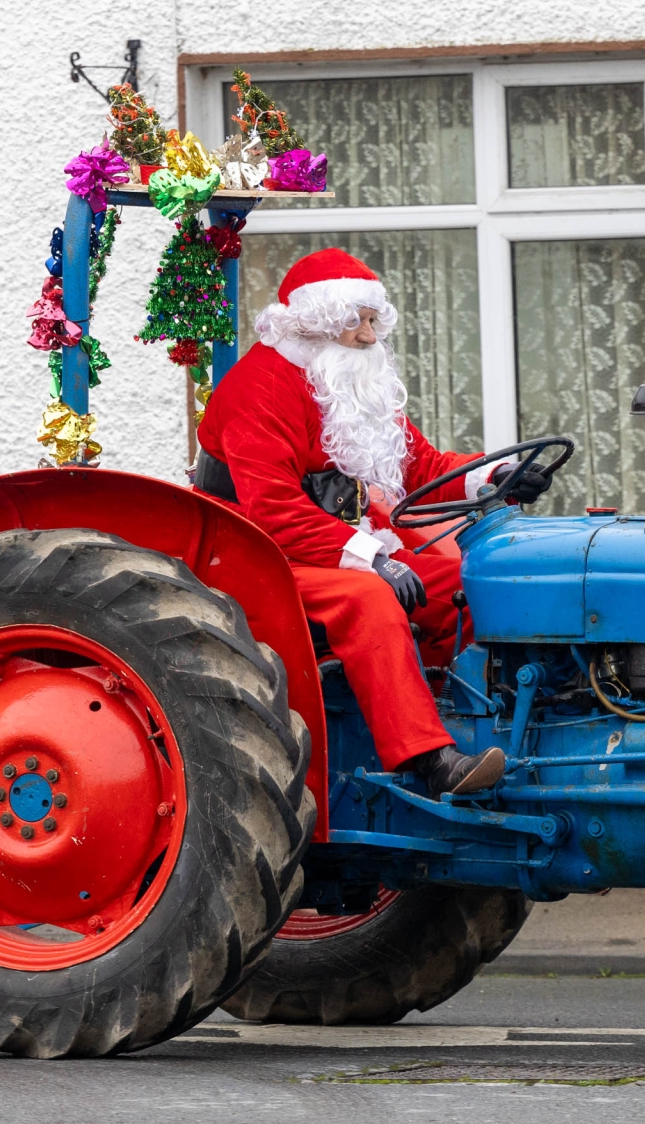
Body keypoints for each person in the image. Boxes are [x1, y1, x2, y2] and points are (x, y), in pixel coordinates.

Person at [195, 248, 548, 796]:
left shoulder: (345, 382)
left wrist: (497, 476)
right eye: (354, 322)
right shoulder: (257, 389)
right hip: (261, 552)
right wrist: (374, 558)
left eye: (371, 321)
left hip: (338, 544)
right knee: (370, 600)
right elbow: (275, 511)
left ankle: (475, 719)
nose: (367, 336)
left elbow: (423, 465)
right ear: (316, 322)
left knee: (469, 587)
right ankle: (426, 760)